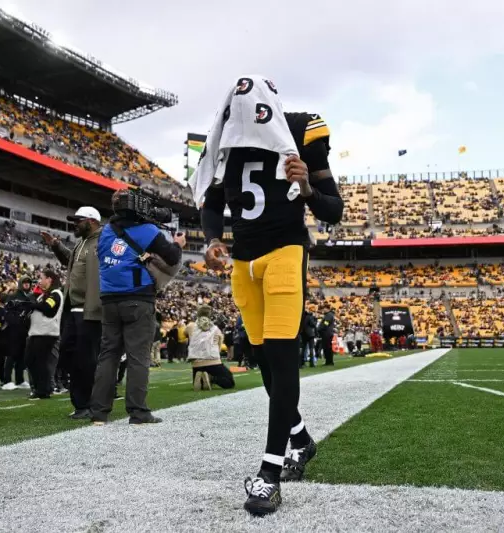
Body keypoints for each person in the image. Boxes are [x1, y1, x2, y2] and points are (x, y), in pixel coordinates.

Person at [193, 75, 343, 515]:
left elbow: (334, 210)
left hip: (284, 253)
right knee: (264, 364)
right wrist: (212, 238)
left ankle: (269, 473)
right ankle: (300, 439)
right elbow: (210, 203)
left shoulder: (300, 129)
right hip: (244, 261)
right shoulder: (228, 140)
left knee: (281, 358)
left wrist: (309, 188)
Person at [89, 190, 185, 425]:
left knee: (108, 355)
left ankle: (99, 413)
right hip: (138, 299)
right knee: (138, 357)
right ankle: (138, 411)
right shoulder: (147, 231)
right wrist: (178, 243)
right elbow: (172, 258)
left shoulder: (104, 232)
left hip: (109, 300)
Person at [42, 206, 103, 419]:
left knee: (87, 360)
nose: (74, 224)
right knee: (69, 356)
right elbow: (70, 262)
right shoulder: (81, 244)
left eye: (78, 220)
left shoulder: (102, 242)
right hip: (73, 310)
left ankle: (88, 404)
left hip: (90, 310)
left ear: (92, 221)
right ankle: (82, 402)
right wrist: (56, 246)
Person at [25, 268, 63, 400]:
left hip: (47, 333)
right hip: (36, 333)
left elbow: (48, 308)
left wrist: (31, 305)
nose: (39, 281)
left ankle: (43, 390)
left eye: (41, 278)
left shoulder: (56, 294)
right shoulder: (43, 295)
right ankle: (41, 389)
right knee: (31, 361)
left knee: (40, 362)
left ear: (49, 279)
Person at [186, 305, 235, 391]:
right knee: (229, 382)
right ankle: (210, 378)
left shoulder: (190, 326)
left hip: (196, 364)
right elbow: (219, 346)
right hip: (213, 362)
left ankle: (201, 378)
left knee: (200, 383)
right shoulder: (216, 329)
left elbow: (184, 334)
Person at [0, 277, 33, 390]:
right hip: (14, 331)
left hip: (24, 331)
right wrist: (16, 322)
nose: (27, 284)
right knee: (11, 355)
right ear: (20, 284)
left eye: (28, 282)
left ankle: (20, 380)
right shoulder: (13, 296)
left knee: (21, 356)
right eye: (24, 282)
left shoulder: (29, 297)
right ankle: (7, 381)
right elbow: (7, 313)